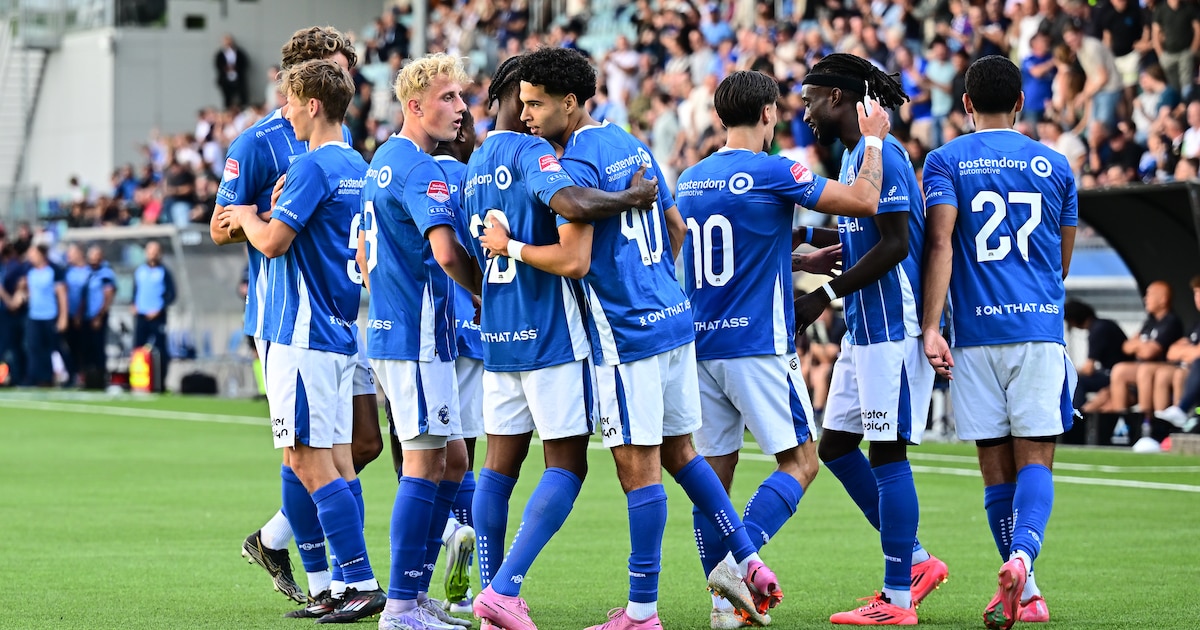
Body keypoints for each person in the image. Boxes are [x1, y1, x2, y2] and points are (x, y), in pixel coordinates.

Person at [483, 46, 783, 630]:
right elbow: (675, 227)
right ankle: (749, 559)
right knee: (682, 453)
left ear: (570, 103)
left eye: (535, 104)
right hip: (672, 318)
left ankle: (642, 613)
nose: (525, 115)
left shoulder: (574, 163)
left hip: (625, 337)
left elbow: (574, 261)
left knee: (638, 472)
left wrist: (511, 247)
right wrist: (651, 281)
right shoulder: (631, 143)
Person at [674, 68, 897, 629]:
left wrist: (795, 257)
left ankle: (724, 608)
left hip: (700, 345)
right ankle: (742, 564)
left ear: (720, 116)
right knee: (801, 462)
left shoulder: (692, 179)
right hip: (757, 343)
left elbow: (730, 248)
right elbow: (864, 200)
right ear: (768, 113)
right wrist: (873, 141)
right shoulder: (776, 169)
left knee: (714, 478)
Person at [461, 54, 658, 630]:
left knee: (497, 469)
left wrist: (484, 292)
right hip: (551, 333)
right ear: (511, 95)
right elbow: (570, 211)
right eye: (524, 101)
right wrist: (630, 198)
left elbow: (457, 252)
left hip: (499, 336)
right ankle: (504, 589)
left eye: (536, 102)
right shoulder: (533, 153)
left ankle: (490, 595)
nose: (529, 112)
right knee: (567, 464)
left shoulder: (474, 164)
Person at [211, 26, 384, 613]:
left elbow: (277, 236)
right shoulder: (259, 143)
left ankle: (346, 576)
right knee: (314, 453)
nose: (345, 78)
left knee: (345, 448)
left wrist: (270, 217)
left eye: (347, 70)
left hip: (315, 319)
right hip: (287, 313)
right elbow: (218, 226)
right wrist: (266, 209)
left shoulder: (328, 150)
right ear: (304, 81)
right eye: (334, 68)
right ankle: (322, 582)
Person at [921, 55, 1078, 630]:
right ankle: (1023, 561)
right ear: (1020, 103)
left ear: (965, 104)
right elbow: (1061, 261)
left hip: (974, 335)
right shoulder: (1055, 164)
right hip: (1037, 330)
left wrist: (932, 326)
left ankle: (1027, 592)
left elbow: (940, 244)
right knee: (1036, 457)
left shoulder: (945, 160)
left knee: (994, 467)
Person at [793, 53, 946, 626]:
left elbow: (896, 243)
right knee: (835, 447)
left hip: (892, 329)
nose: (805, 112)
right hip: (864, 329)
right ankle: (917, 561)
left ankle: (898, 599)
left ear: (836, 97)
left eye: (809, 100)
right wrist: (817, 247)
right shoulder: (856, 155)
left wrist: (824, 295)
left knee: (887, 453)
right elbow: (864, 230)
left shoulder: (888, 155)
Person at [359, 52, 483, 630]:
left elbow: (366, 254)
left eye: (461, 96)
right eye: (448, 98)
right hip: (416, 336)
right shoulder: (420, 169)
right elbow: (446, 252)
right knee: (424, 464)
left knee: (453, 460)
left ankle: (417, 594)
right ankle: (401, 607)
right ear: (415, 105)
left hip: (398, 331)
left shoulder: (383, 159)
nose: (461, 108)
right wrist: (485, 292)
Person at [430, 107, 482, 617]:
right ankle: (465, 591)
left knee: (420, 457)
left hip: (432, 329)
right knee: (466, 451)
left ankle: (447, 532)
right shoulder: (477, 179)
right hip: (481, 327)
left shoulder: (417, 175)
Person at [1097, 281, 1184, 442]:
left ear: (1163, 299)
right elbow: (1126, 346)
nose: (1145, 299)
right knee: (1119, 370)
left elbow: (1149, 353)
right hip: (1143, 369)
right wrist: (1141, 345)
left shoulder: (1171, 321)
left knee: (1145, 370)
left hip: (1162, 369)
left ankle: (1147, 424)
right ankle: (1122, 423)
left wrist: (1139, 345)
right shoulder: (1150, 321)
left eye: (1150, 295)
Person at [1063, 300, 1128, 410]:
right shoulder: (1104, 324)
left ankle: (1077, 413)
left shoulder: (1097, 330)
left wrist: (1072, 371)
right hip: (1115, 371)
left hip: (1116, 374)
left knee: (1078, 380)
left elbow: (1089, 369)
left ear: (1073, 320)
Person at [1154, 276, 1200, 429]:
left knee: (1185, 371)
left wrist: (1188, 351)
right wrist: (1190, 351)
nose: (1198, 298)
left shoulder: (1171, 320)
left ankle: (1181, 412)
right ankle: (1158, 426)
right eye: (1196, 293)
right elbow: (1172, 352)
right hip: (1189, 369)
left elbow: (1197, 355)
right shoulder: (1196, 323)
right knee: (1163, 373)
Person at [18, 244, 66, 387]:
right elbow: (25, 288)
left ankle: (61, 375)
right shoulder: (29, 270)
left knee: (54, 347)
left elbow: (62, 294)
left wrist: (63, 317)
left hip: (50, 314)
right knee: (33, 347)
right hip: (34, 315)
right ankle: (35, 377)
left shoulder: (53, 270)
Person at [130, 241, 175, 385]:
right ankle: (137, 381)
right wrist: (134, 305)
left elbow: (171, 295)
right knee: (138, 348)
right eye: (150, 251)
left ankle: (160, 382)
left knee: (160, 349)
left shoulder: (164, 272)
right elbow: (135, 291)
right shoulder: (140, 271)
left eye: (156, 251)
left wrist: (159, 309)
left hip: (157, 317)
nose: (153, 254)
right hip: (142, 316)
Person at [79, 245, 116, 386]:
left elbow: (108, 295)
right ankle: (88, 378)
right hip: (86, 317)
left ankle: (100, 378)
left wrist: (100, 316)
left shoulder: (105, 273)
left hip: (98, 317)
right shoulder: (87, 272)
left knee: (98, 348)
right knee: (86, 349)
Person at [63, 243, 90, 384]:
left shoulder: (88, 272)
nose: (68, 256)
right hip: (68, 316)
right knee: (68, 347)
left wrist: (79, 314)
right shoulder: (66, 272)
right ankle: (72, 374)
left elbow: (85, 295)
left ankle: (85, 375)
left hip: (84, 318)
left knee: (83, 348)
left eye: (71, 253)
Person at [215, 34, 250, 109]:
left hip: (238, 79)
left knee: (241, 97)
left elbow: (244, 64)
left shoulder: (239, 53)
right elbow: (218, 65)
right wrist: (226, 68)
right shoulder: (220, 54)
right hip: (225, 80)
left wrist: (235, 68)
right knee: (227, 98)